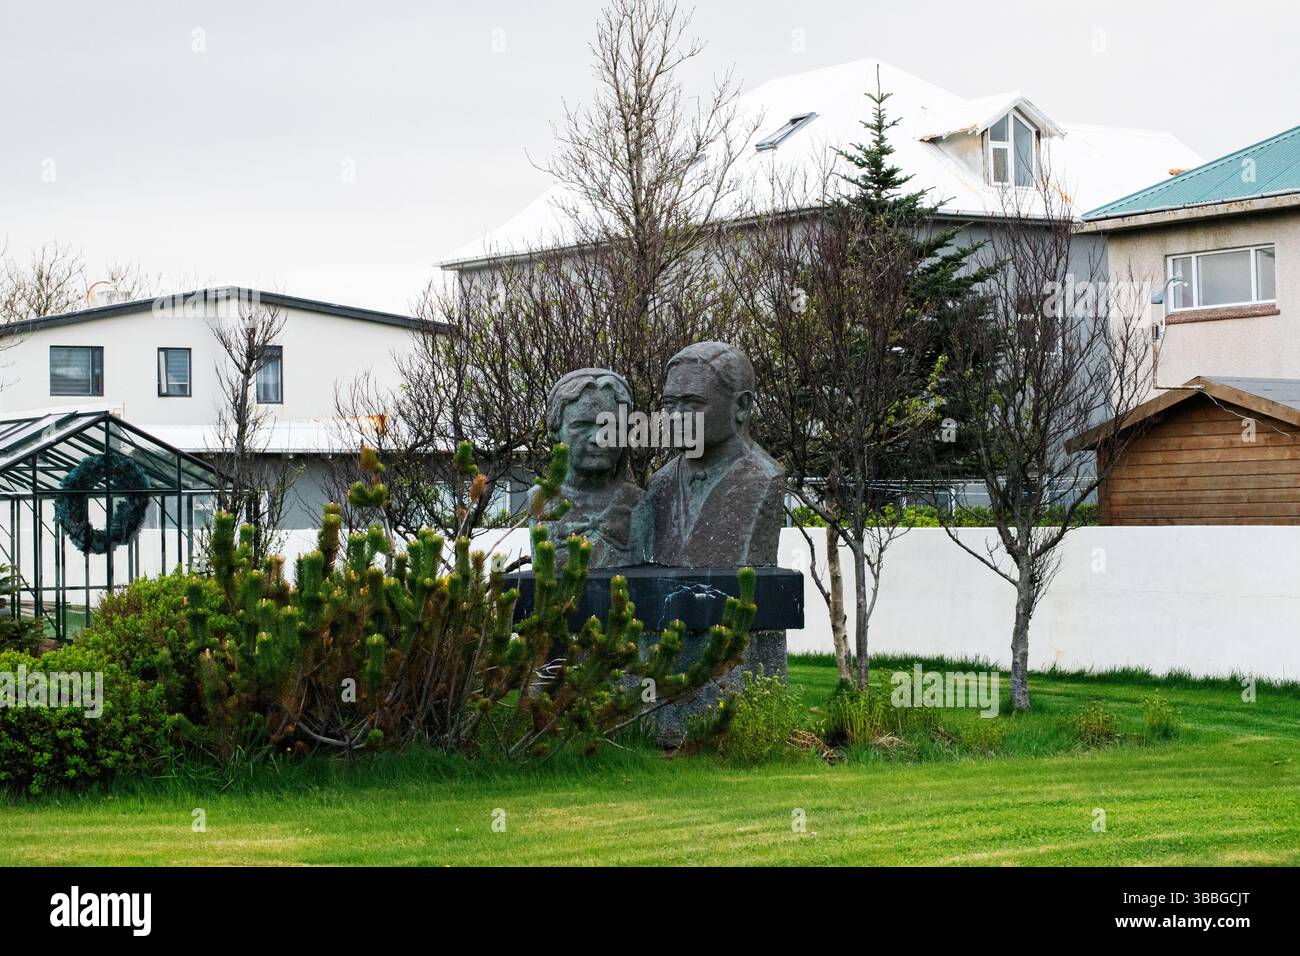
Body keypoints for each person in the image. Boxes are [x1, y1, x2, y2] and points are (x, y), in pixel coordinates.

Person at [634, 342, 784, 567]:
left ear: (741, 406)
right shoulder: (660, 483)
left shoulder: (762, 478)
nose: (674, 417)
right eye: (669, 404)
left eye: (693, 404)